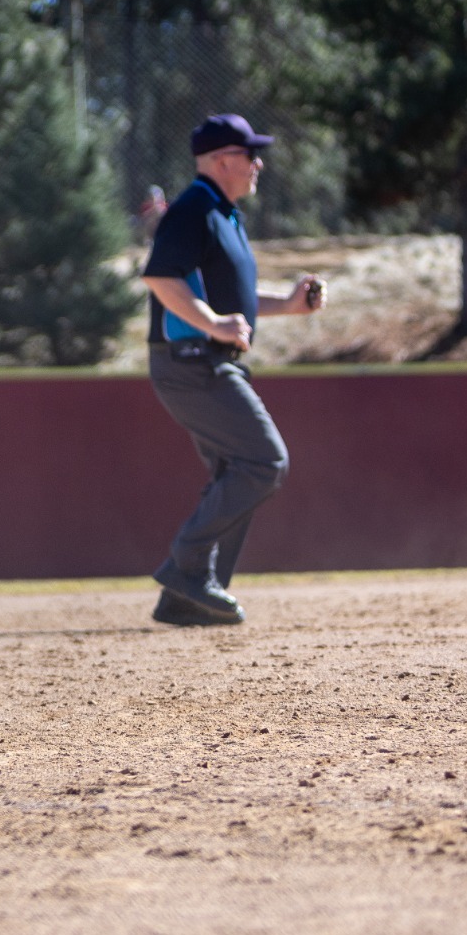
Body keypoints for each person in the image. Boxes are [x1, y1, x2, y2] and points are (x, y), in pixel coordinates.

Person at [140, 114, 325, 627]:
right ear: (223, 159)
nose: (259, 163)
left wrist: (288, 305)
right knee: (263, 463)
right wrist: (212, 324)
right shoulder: (195, 208)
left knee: (238, 471)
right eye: (250, 154)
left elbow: (230, 302)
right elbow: (159, 278)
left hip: (208, 360)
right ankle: (189, 565)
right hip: (191, 364)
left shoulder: (224, 214)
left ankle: (188, 596)